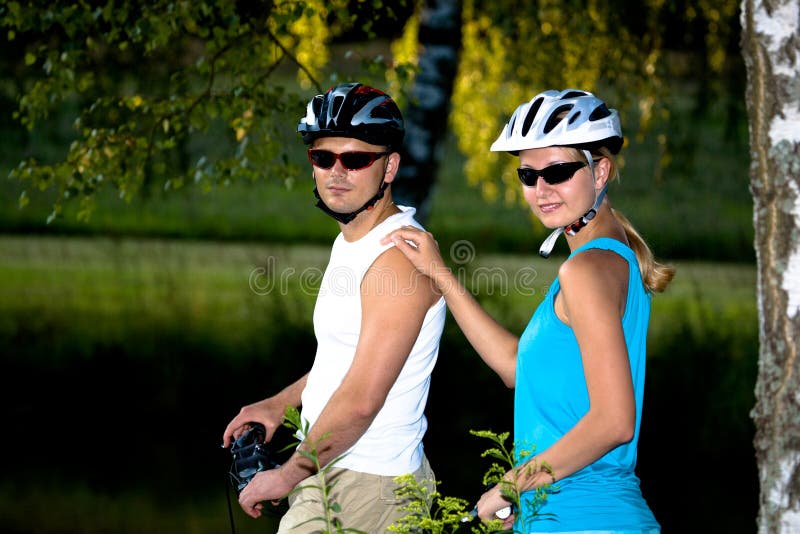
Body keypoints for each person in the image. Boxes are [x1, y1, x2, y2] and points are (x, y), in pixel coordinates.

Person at [383, 89, 674, 533]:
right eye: (528, 174)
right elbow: (518, 369)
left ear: (601, 171)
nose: (541, 189)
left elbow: (615, 420)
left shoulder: (588, 269)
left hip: (585, 517)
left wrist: (512, 486)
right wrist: (440, 275)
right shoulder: (612, 260)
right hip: (564, 514)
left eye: (558, 171)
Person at [222, 82, 446, 533]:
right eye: (323, 158)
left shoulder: (398, 260)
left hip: (369, 485)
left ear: (389, 168)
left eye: (356, 159)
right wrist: (276, 405)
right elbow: (348, 360)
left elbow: (362, 400)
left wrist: (286, 475)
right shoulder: (355, 241)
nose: (336, 172)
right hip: (332, 469)